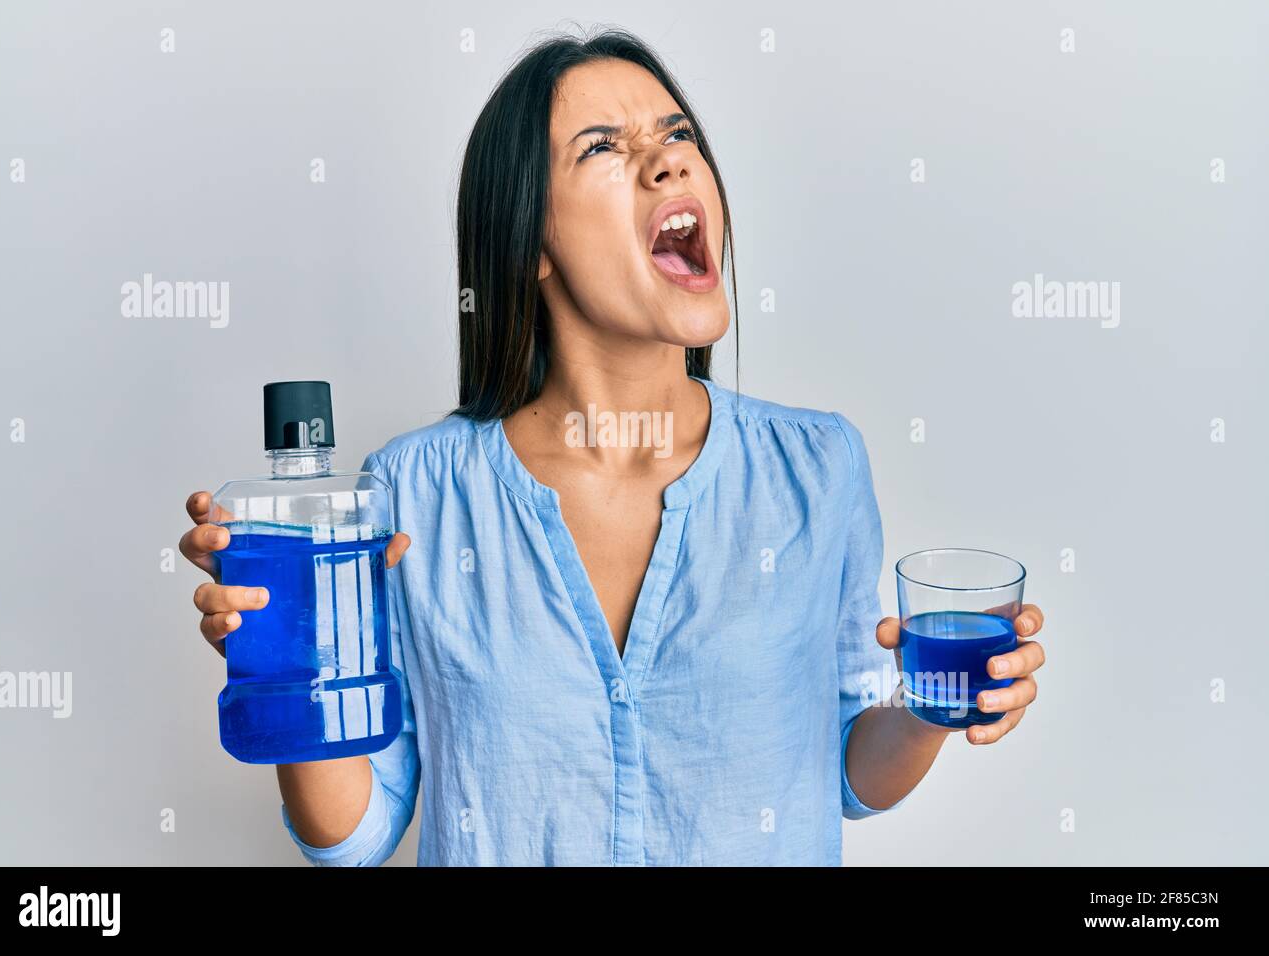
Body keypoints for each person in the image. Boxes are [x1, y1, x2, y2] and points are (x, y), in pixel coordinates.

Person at [179, 27, 1046, 866]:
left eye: (678, 135)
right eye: (603, 147)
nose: (669, 159)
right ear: (532, 245)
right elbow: (355, 836)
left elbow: (849, 771)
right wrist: (283, 655)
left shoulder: (817, 469)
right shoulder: (413, 495)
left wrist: (928, 708)